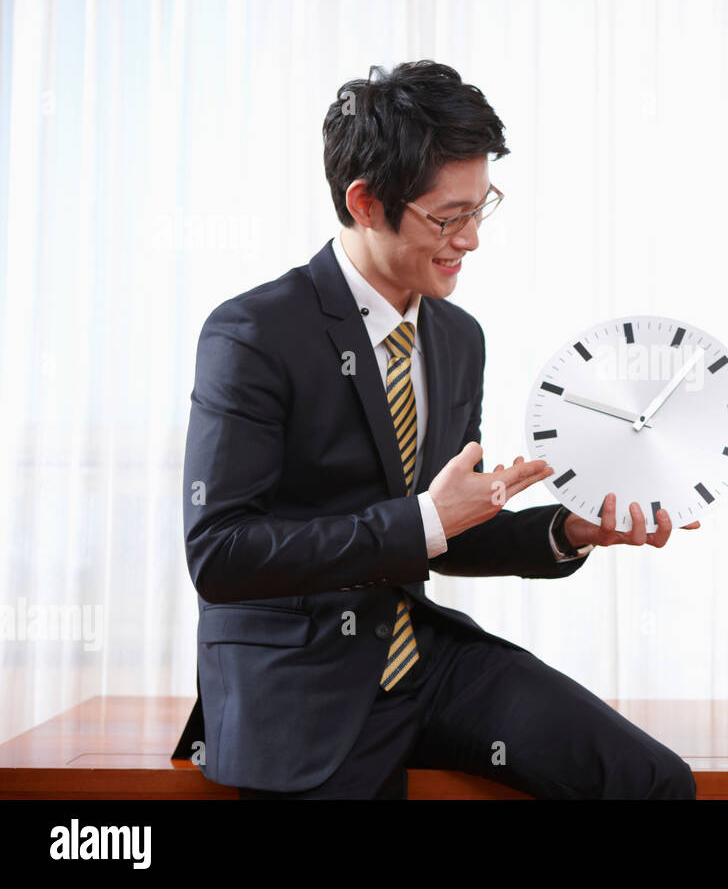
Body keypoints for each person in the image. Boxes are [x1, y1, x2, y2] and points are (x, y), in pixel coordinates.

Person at [170, 60, 699, 799]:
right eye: (449, 217)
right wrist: (422, 519)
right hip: (298, 685)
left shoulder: (456, 337)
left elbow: (445, 534)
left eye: (483, 209)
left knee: (651, 782)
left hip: (420, 654)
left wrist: (568, 531)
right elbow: (220, 554)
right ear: (363, 201)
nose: (473, 240)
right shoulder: (253, 333)